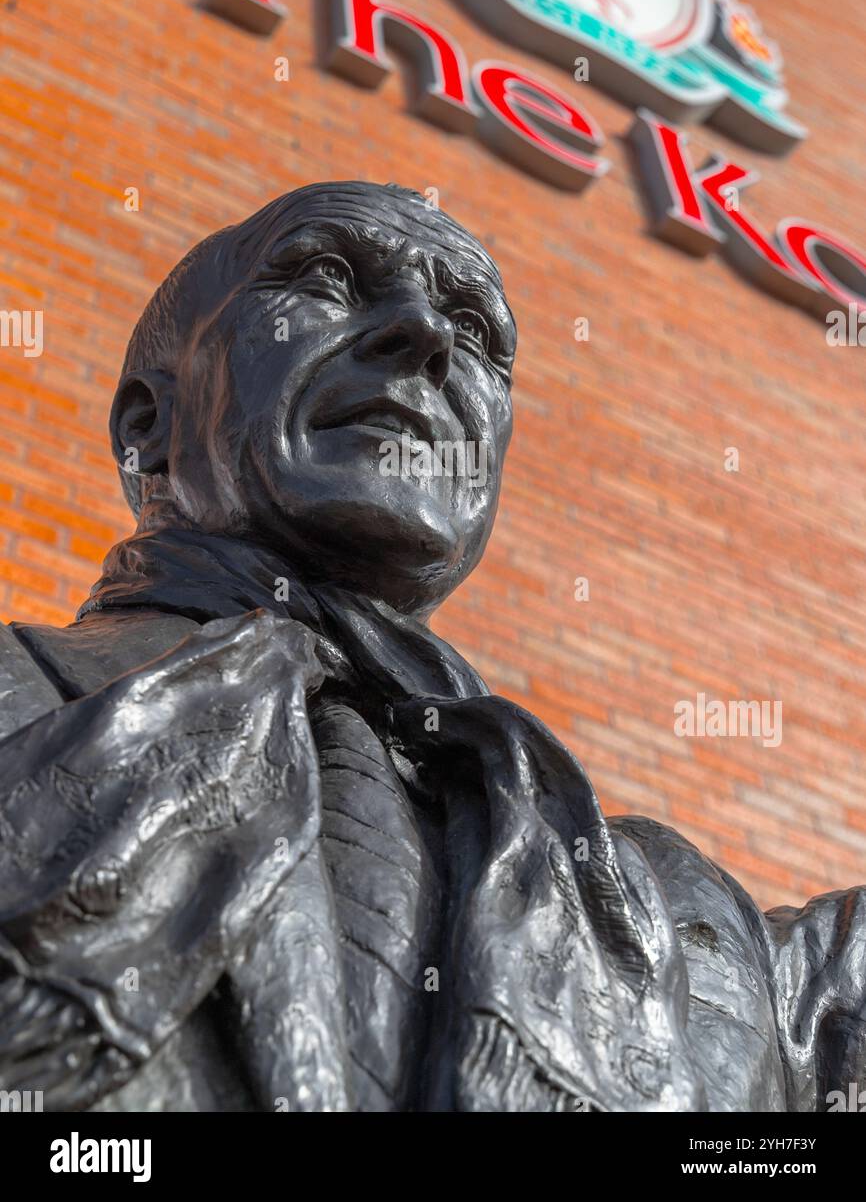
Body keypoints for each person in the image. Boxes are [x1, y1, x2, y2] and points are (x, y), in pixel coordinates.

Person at [0, 182, 862, 1112]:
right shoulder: (23, 696)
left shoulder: (681, 923)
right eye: (327, 275)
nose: (426, 334)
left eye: (478, 331)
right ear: (147, 425)